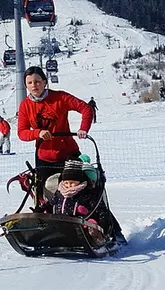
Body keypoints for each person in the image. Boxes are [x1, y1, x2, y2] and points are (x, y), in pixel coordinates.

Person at [17, 66, 93, 197]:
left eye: (37, 81)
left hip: (68, 153)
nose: (34, 85)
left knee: (78, 189)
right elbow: (22, 132)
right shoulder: (25, 105)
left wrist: (83, 128)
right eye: (30, 83)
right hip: (44, 157)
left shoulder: (60, 97)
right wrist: (37, 133)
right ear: (26, 85)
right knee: (45, 194)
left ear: (45, 82)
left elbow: (86, 108)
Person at [39, 160, 123, 244]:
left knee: (91, 227)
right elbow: (51, 204)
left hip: (81, 225)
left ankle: (96, 239)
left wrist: (101, 222)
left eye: (72, 183)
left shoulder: (86, 194)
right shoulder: (59, 193)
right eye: (66, 183)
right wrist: (42, 209)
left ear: (80, 182)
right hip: (59, 223)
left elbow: (100, 210)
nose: (68, 186)